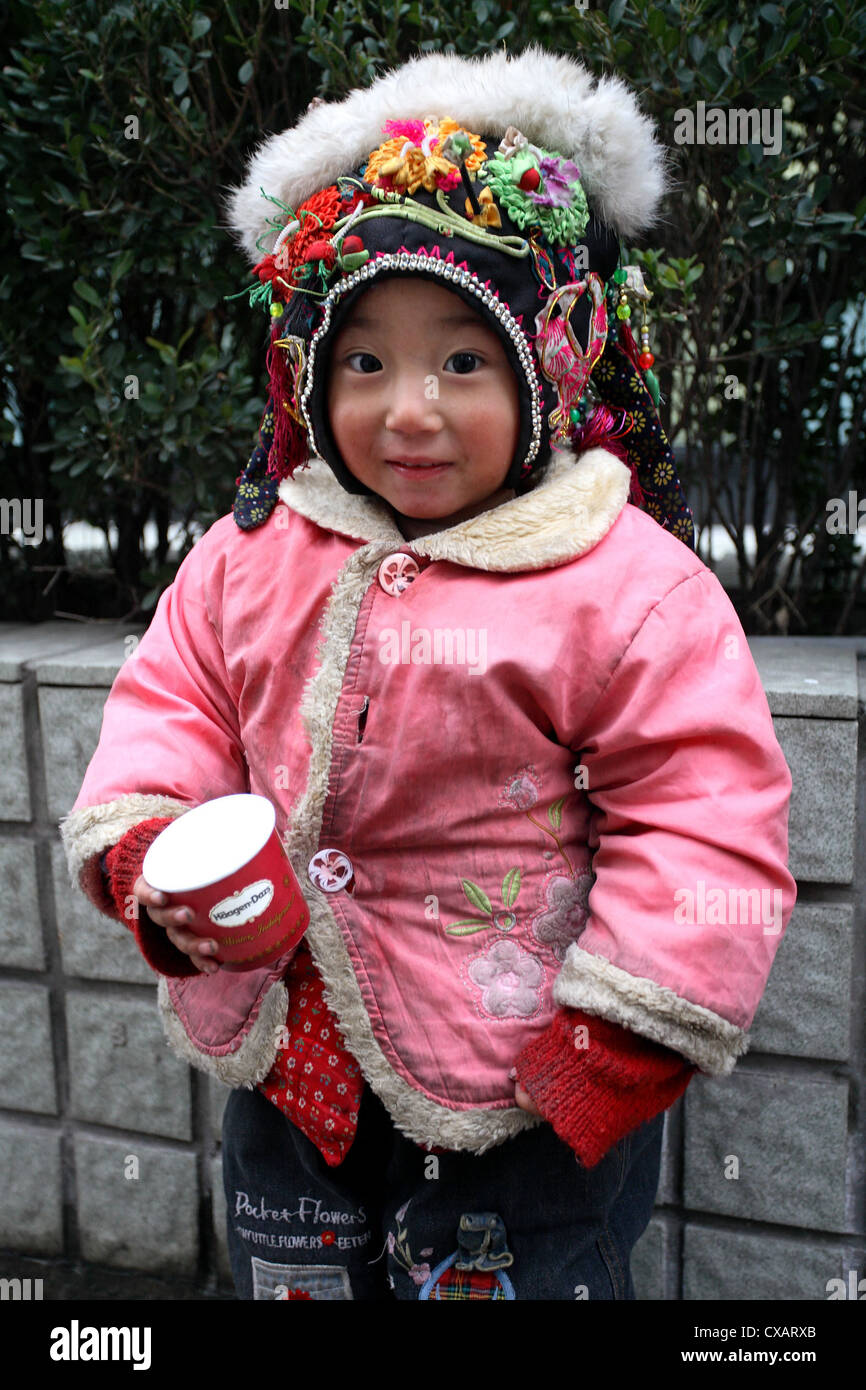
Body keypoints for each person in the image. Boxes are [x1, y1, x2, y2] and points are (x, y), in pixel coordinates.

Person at [61, 46, 796, 1301]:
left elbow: (700, 816)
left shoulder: (621, 583)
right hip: (292, 1067)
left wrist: (615, 1040)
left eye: (462, 361)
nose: (408, 408)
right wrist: (150, 858)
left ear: (551, 361)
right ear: (304, 367)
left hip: (524, 1089)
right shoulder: (255, 553)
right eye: (363, 362)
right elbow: (173, 701)